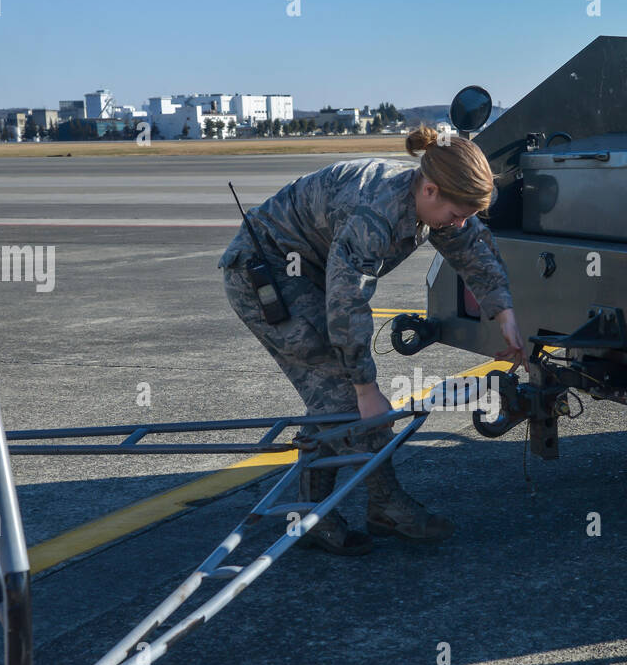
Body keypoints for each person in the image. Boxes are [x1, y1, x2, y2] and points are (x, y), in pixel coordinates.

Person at [217, 124, 526, 555]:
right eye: (456, 214)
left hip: (309, 272)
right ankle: (380, 505)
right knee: (345, 398)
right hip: (264, 273)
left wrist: (505, 314)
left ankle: (318, 513)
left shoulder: (428, 196)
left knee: (334, 401)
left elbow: (472, 249)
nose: (458, 224)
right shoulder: (375, 215)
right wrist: (366, 387)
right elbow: (347, 305)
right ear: (431, 190)